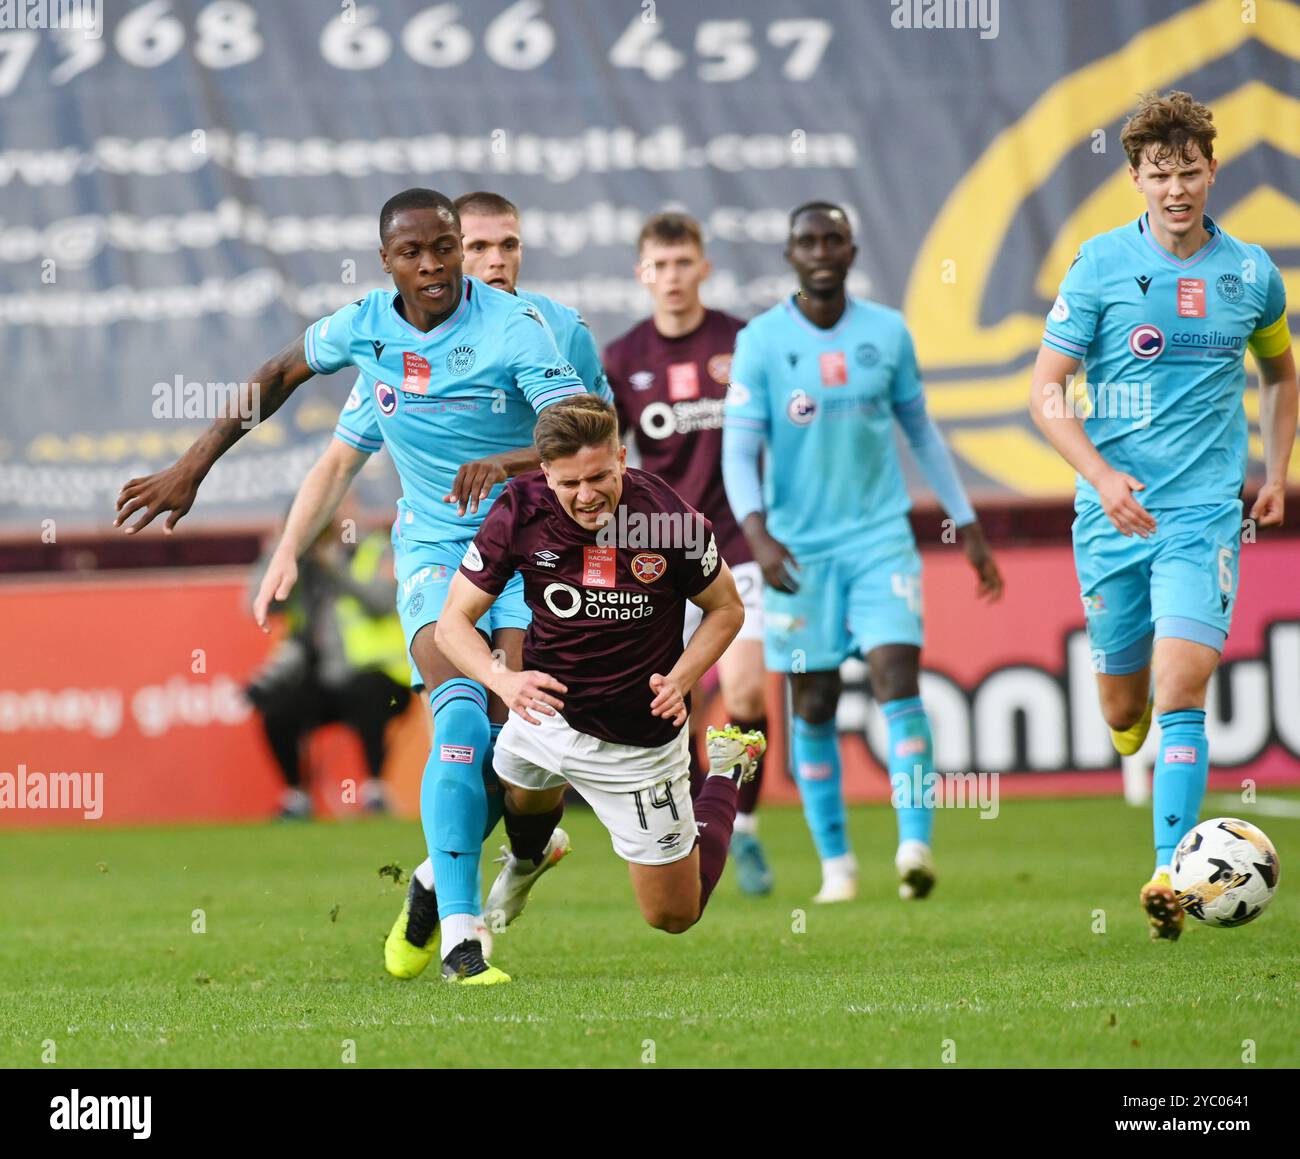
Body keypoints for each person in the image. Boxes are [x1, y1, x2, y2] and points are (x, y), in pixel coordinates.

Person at [118, 186, 595, 984]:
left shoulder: (519, 328)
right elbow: (278, 378)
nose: (436, 265)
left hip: (526, 555)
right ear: (388, 262)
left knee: (524, 749)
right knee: (462, 724)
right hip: (438, 558)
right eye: (415, 253)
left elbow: (578, 430)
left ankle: (443, 876)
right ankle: (463, 941)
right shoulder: (367, 331)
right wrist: (192, 468)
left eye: (447, 247)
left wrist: (507, 464)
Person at [1028, 91, 1296, 940]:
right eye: (1159, 174)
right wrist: (1102, 475)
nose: (1176, 189)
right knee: (1121, 708)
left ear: (1214, 170)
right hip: (1112, 515)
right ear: (1136, 177)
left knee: (1185, 686)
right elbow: (1045, 391)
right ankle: (1131, 726)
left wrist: (1278, 471)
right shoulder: (1099, 266)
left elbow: (1282, 375)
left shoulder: (1251, 272)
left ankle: (1171, 873)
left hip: (1202, 515)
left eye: (1189, 171)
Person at [723, 201, 1004, 904]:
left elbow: (923, 432)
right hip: (797, 552)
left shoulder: (889, 332)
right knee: (813, 702)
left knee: (894, 677)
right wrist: (757, 532)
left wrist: (965, 522)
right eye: (807, 241)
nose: (820, 251)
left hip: (881, 542)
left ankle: (913, 847)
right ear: (790, 255)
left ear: (851, 251)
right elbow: (737, 448)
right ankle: (838, 867)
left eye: (833, 240)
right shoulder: (760, 342)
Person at [436, 395, 766, 942]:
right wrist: (503, 679)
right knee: (521, 795)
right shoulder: (520, 509)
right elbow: (452, 624)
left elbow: (727, 607)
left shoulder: (668, 520)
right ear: (545, 473)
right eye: (569, 484)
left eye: (598, 477)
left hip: (635, 739)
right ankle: (526, 862)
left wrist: (682, 678)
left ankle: (729, 769)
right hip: (547, 712)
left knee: (673, 916)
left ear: (620, 455)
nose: (587, 497)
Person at [603, 211, 773, 896]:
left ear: (703, 267)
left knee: (747, 691)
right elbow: (607, 460)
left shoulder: (744, 341)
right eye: (659, 265)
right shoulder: (622, 359)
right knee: (671, 704)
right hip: (662, 551)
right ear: (643, 274)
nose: (672, 277)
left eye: (683, 263)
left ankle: (749, 828)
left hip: (738, 543)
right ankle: (699, 824)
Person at [246, 512, 411, 819]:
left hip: (380, 675)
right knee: (278, 709)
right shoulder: (300, 564)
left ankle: (375, 792)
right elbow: (258, 606)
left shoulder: (374, 548)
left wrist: (333, 565)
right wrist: (279, 553)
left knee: (368, 691)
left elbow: (383, 602)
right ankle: (297, 796)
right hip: (323, 676)